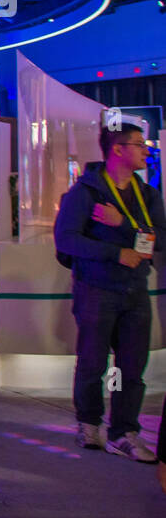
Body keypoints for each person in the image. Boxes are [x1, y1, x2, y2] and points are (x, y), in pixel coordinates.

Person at [54, 119, 165, 462]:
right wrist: (115, 252)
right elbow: (66, 240)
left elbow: (160, 236)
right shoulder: (85, 192)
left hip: (135, 290)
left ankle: (124, 432)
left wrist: (124, 225)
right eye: (138, 144)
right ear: (118, 149)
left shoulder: (147, 194)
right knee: (92, 362)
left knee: (132, 366)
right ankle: (88, 422)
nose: (146, 150)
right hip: (96, 289)